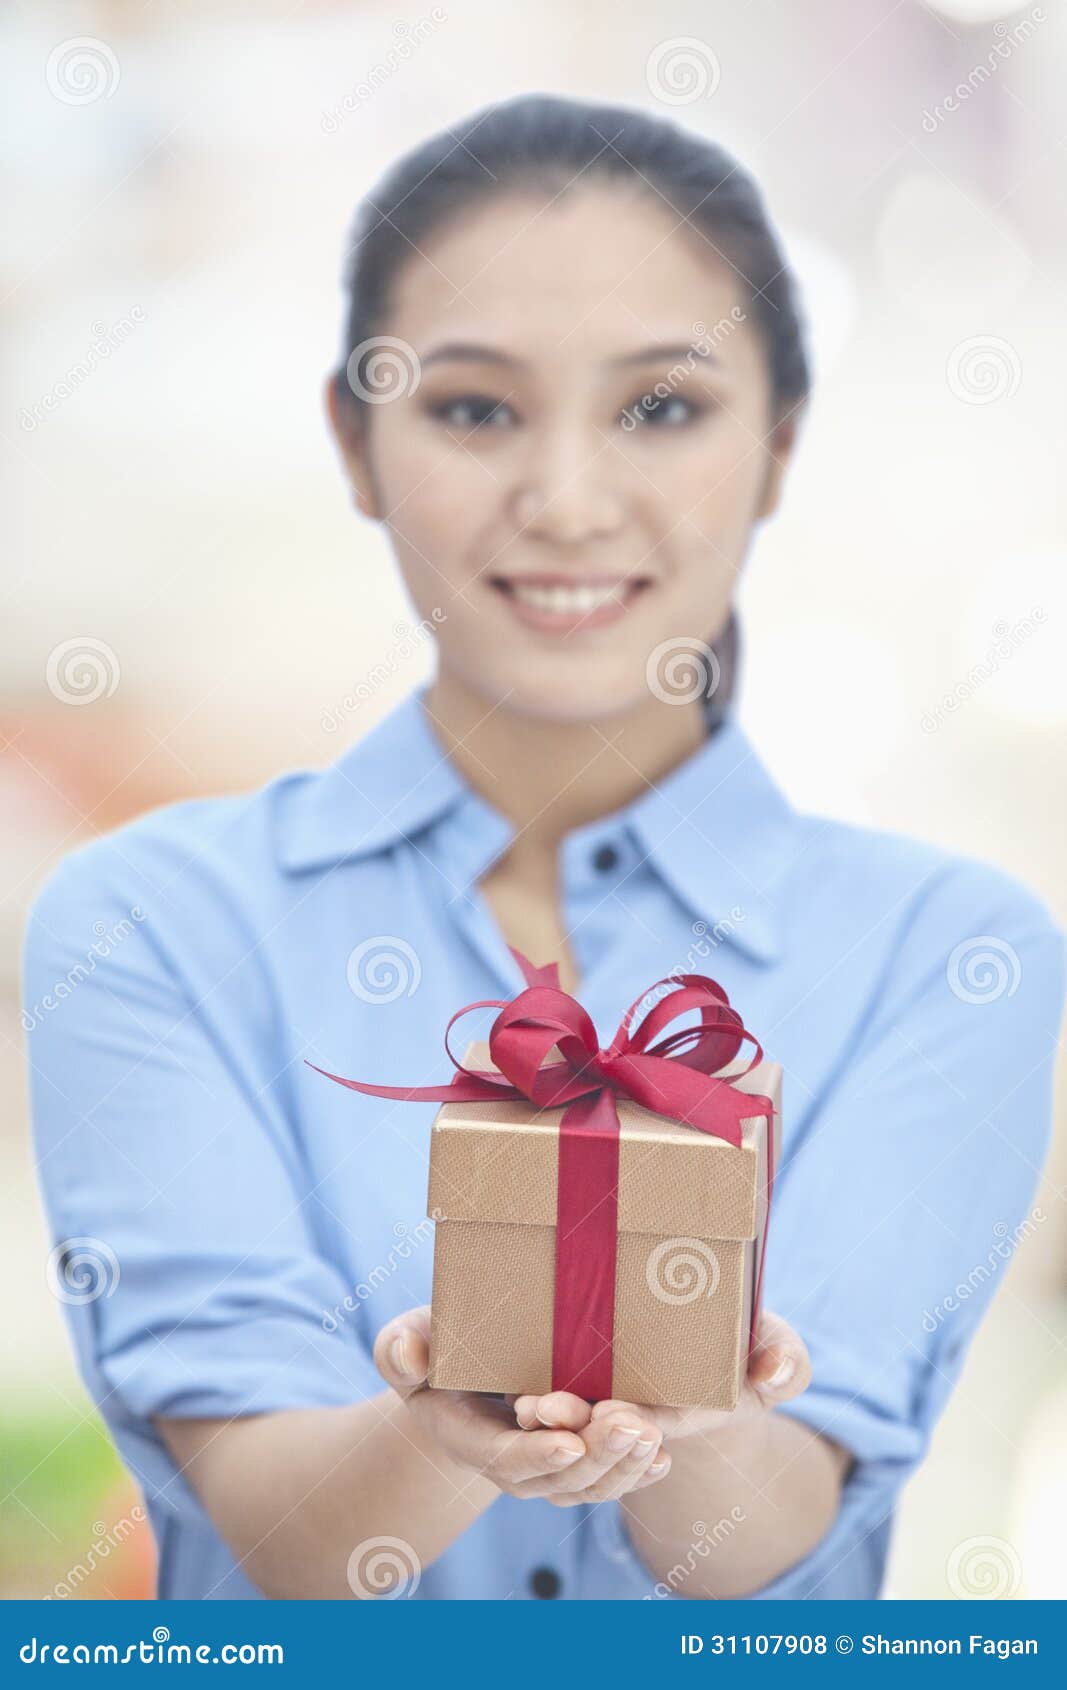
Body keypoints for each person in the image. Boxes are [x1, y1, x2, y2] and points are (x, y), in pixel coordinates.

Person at [24, 93, 1064, 1602]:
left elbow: (777, 1543)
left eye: (662, 406)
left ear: (778, 445)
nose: (568, 502)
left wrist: (701, 1420)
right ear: (358, 442)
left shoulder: (951, 950)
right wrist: (445, 1431)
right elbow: (285, 1544)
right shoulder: (150, 919)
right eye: (472, 407)